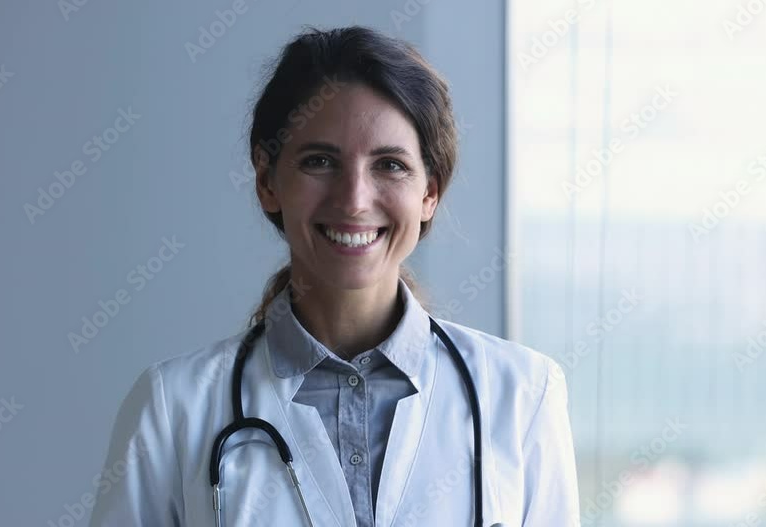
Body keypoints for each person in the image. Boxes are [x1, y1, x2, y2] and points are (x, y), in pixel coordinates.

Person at [90, 25, 580, 527]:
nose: (353, 200)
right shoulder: (173, 408)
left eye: (390, 165)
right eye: (319, 161)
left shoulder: (523, 395)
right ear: (267, 181)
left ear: (430, 192)